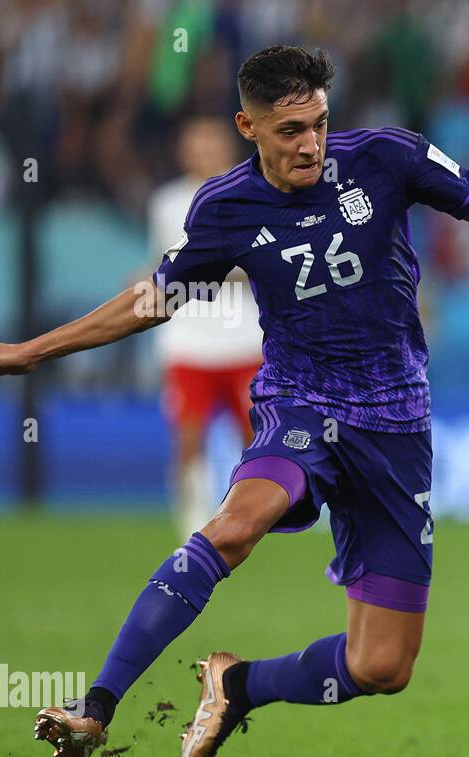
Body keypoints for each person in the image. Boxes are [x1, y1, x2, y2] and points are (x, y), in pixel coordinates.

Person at [0, 45, 469, 757]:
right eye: (290, 130)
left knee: (382, 666)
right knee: (234, 527)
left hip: (397, 422)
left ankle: (237, 688)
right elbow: (151, 301)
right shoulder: (225, 208)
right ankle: (96, 705)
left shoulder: (387, 157)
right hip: (302, 403)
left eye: (319, 123)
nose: (310, 144)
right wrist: (32, 351)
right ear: (249, 128)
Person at [148, 116, 264, 540]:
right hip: (187, 340)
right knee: (188, 436)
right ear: (183, 152)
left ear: (229, 147)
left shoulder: (254, 193)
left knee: (258, 436)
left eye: (212, 144)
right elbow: (162, 267)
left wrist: (199, 273)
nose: (204, 153)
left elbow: (259, 264)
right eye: (196, 145)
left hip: (245, 338)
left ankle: (257, 516)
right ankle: (192, 522)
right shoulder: (166, 202)